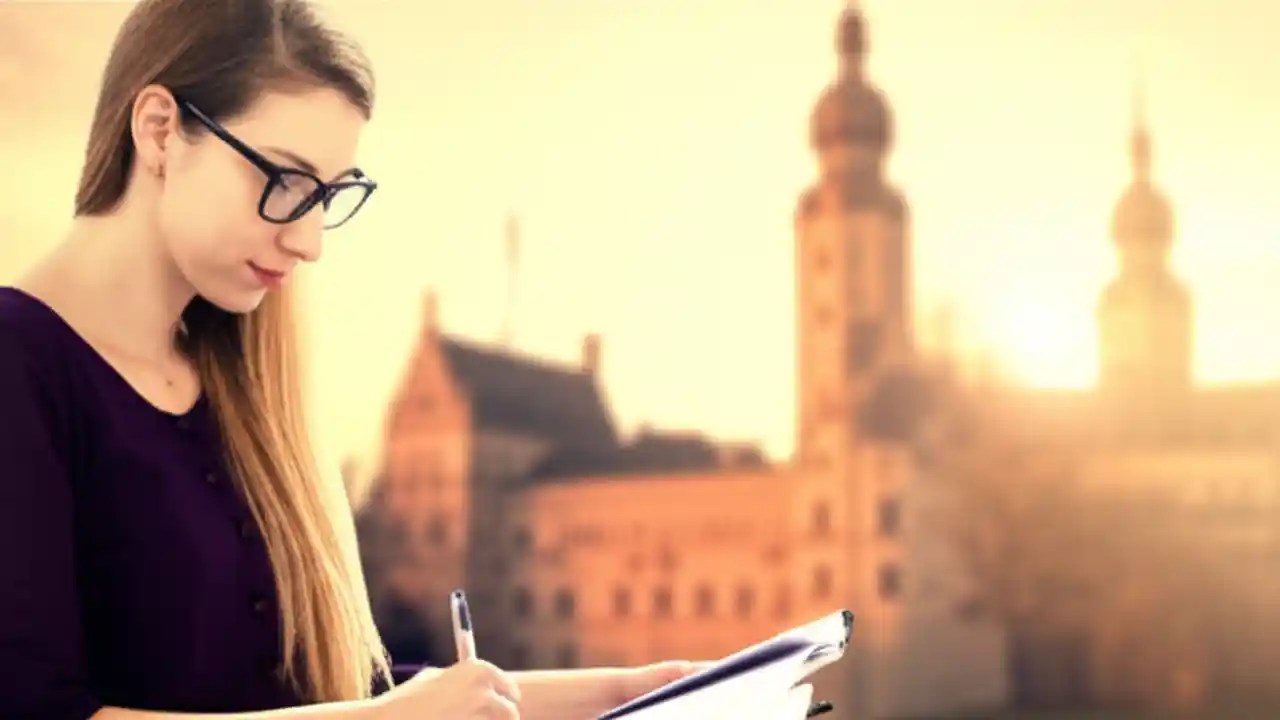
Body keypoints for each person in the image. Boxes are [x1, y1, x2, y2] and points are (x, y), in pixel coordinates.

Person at [0, 1, 697, 718]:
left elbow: (337, 694)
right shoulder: (18, 365)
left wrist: (636, 691)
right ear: (159, 131)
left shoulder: (240, 387)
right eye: (285, 182)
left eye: (328, 197)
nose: (310, 243)